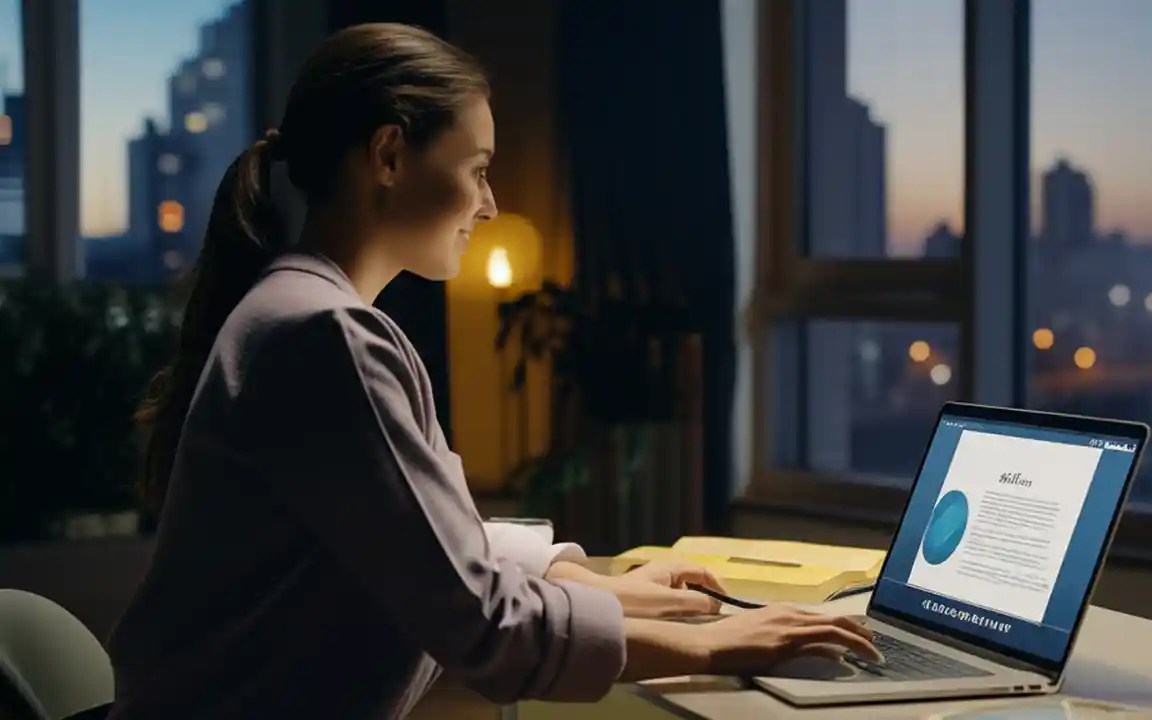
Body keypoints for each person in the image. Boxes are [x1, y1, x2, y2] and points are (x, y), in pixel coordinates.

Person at [106, 23, 879, 719]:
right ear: (388, 155)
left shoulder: (299, 309)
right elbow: (484, 625)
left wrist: (604, 589)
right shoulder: (325, 335)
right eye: (476, 169)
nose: (488, 202)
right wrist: (726, 642)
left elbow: (416, 540)